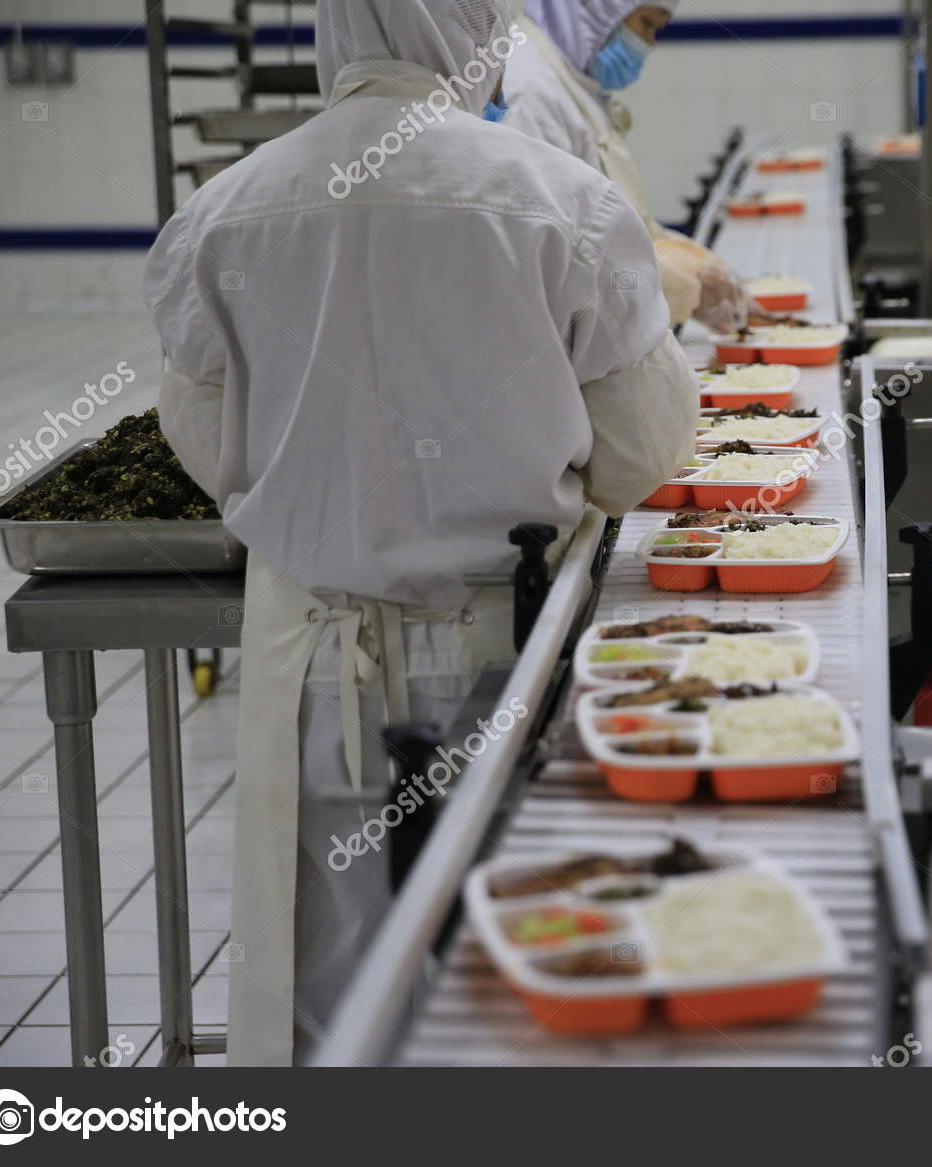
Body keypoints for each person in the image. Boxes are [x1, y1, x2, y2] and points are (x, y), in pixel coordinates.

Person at [143, 0, 696, 1065]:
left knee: (339, 973)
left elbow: (210, 442)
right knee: (518, 961)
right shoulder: (553, 199)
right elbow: (639, 454)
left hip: (317, 661)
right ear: (475, 31)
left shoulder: (225, 213)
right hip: (511, 652)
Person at [503, 1, 748, 333]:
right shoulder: (529, 93)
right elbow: (559, 263)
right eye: (647, 24)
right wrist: (688, 291)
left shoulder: (573, 84)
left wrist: (699, 264)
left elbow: (621, 224)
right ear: (594, 10)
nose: (648, 44)